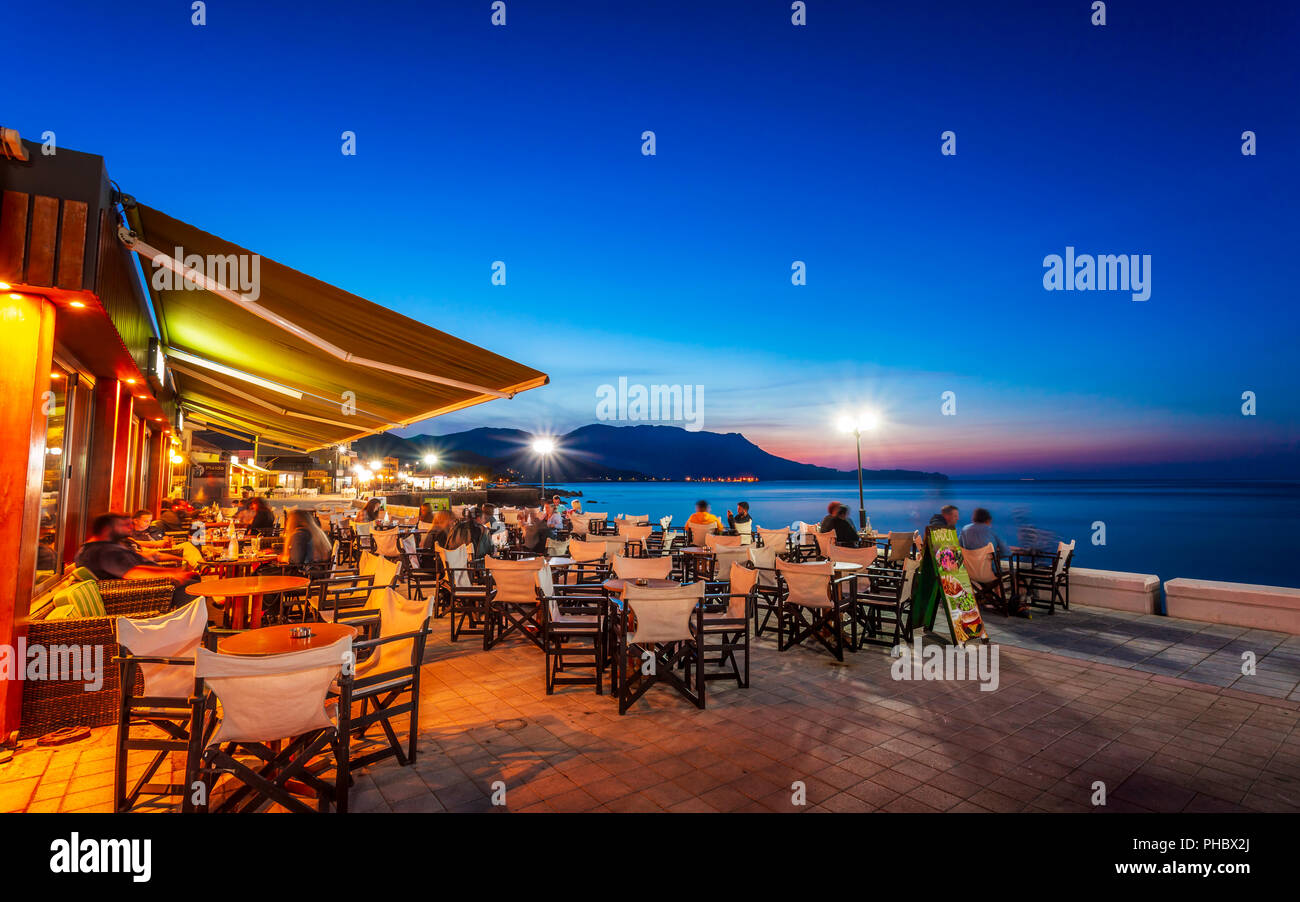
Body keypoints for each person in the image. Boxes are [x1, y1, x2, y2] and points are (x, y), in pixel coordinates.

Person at [75, 512, 197, 605]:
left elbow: (136, 564)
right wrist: (172, 575)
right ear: (107, 529)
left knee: (194, 580)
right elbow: (133, 573)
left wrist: (173, 568)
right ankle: (198, 631)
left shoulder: (102, 546)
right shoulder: (104, 551)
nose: (129, 528)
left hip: (147, 588)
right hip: (145, 594)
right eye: (123, 526)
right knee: (192, 585)